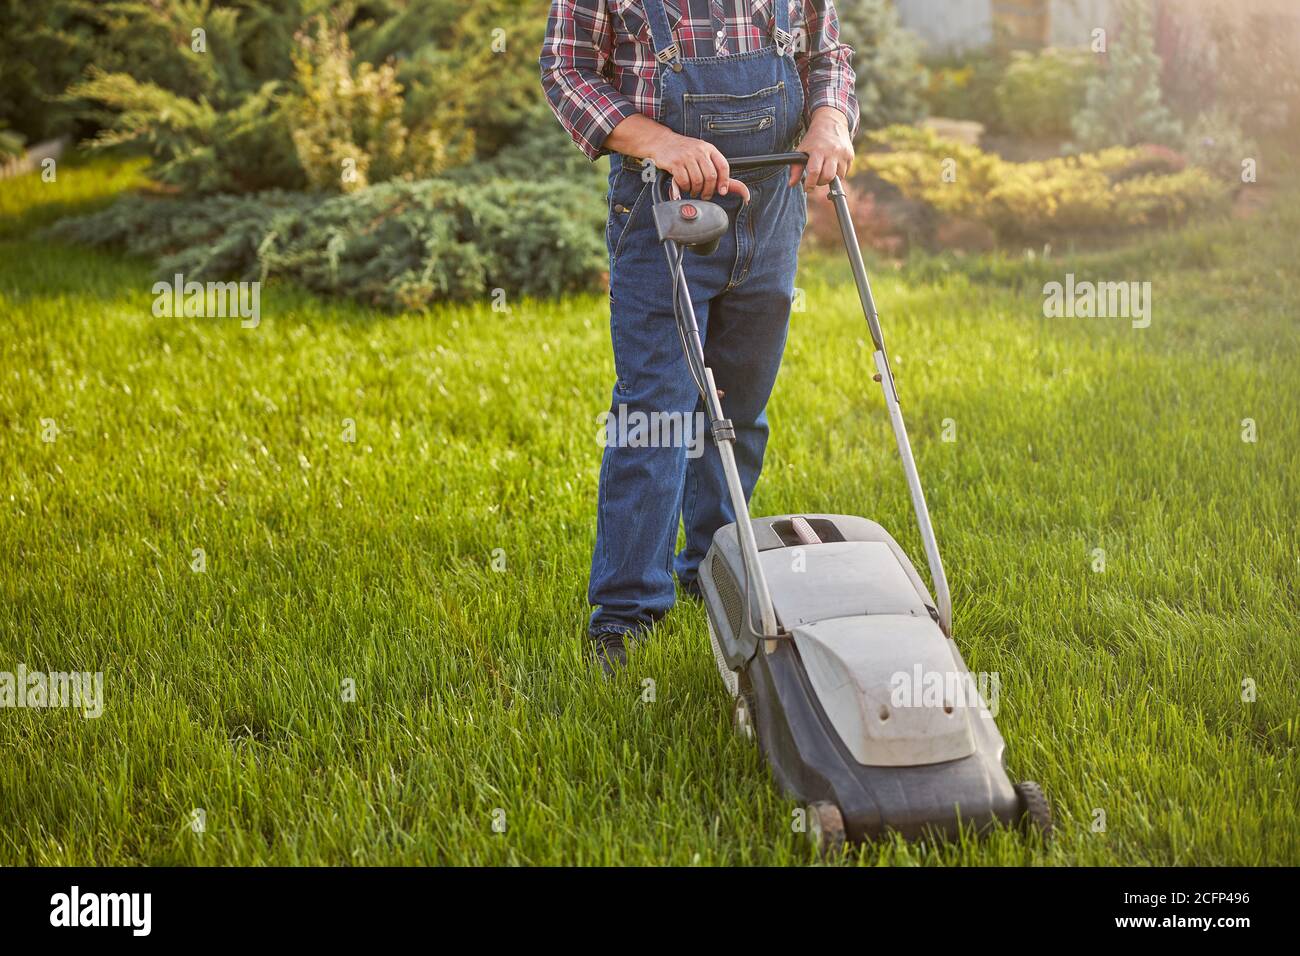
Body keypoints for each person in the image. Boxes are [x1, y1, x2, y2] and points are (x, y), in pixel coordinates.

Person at [540, 1, 858, 672]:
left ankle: (714, 570)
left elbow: (826, 57)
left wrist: (829, 120)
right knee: (656, 415)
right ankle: (627, 614)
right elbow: (567, 70)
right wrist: (660, 141)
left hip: (771, 212)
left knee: (739, 410)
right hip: (662, 209)